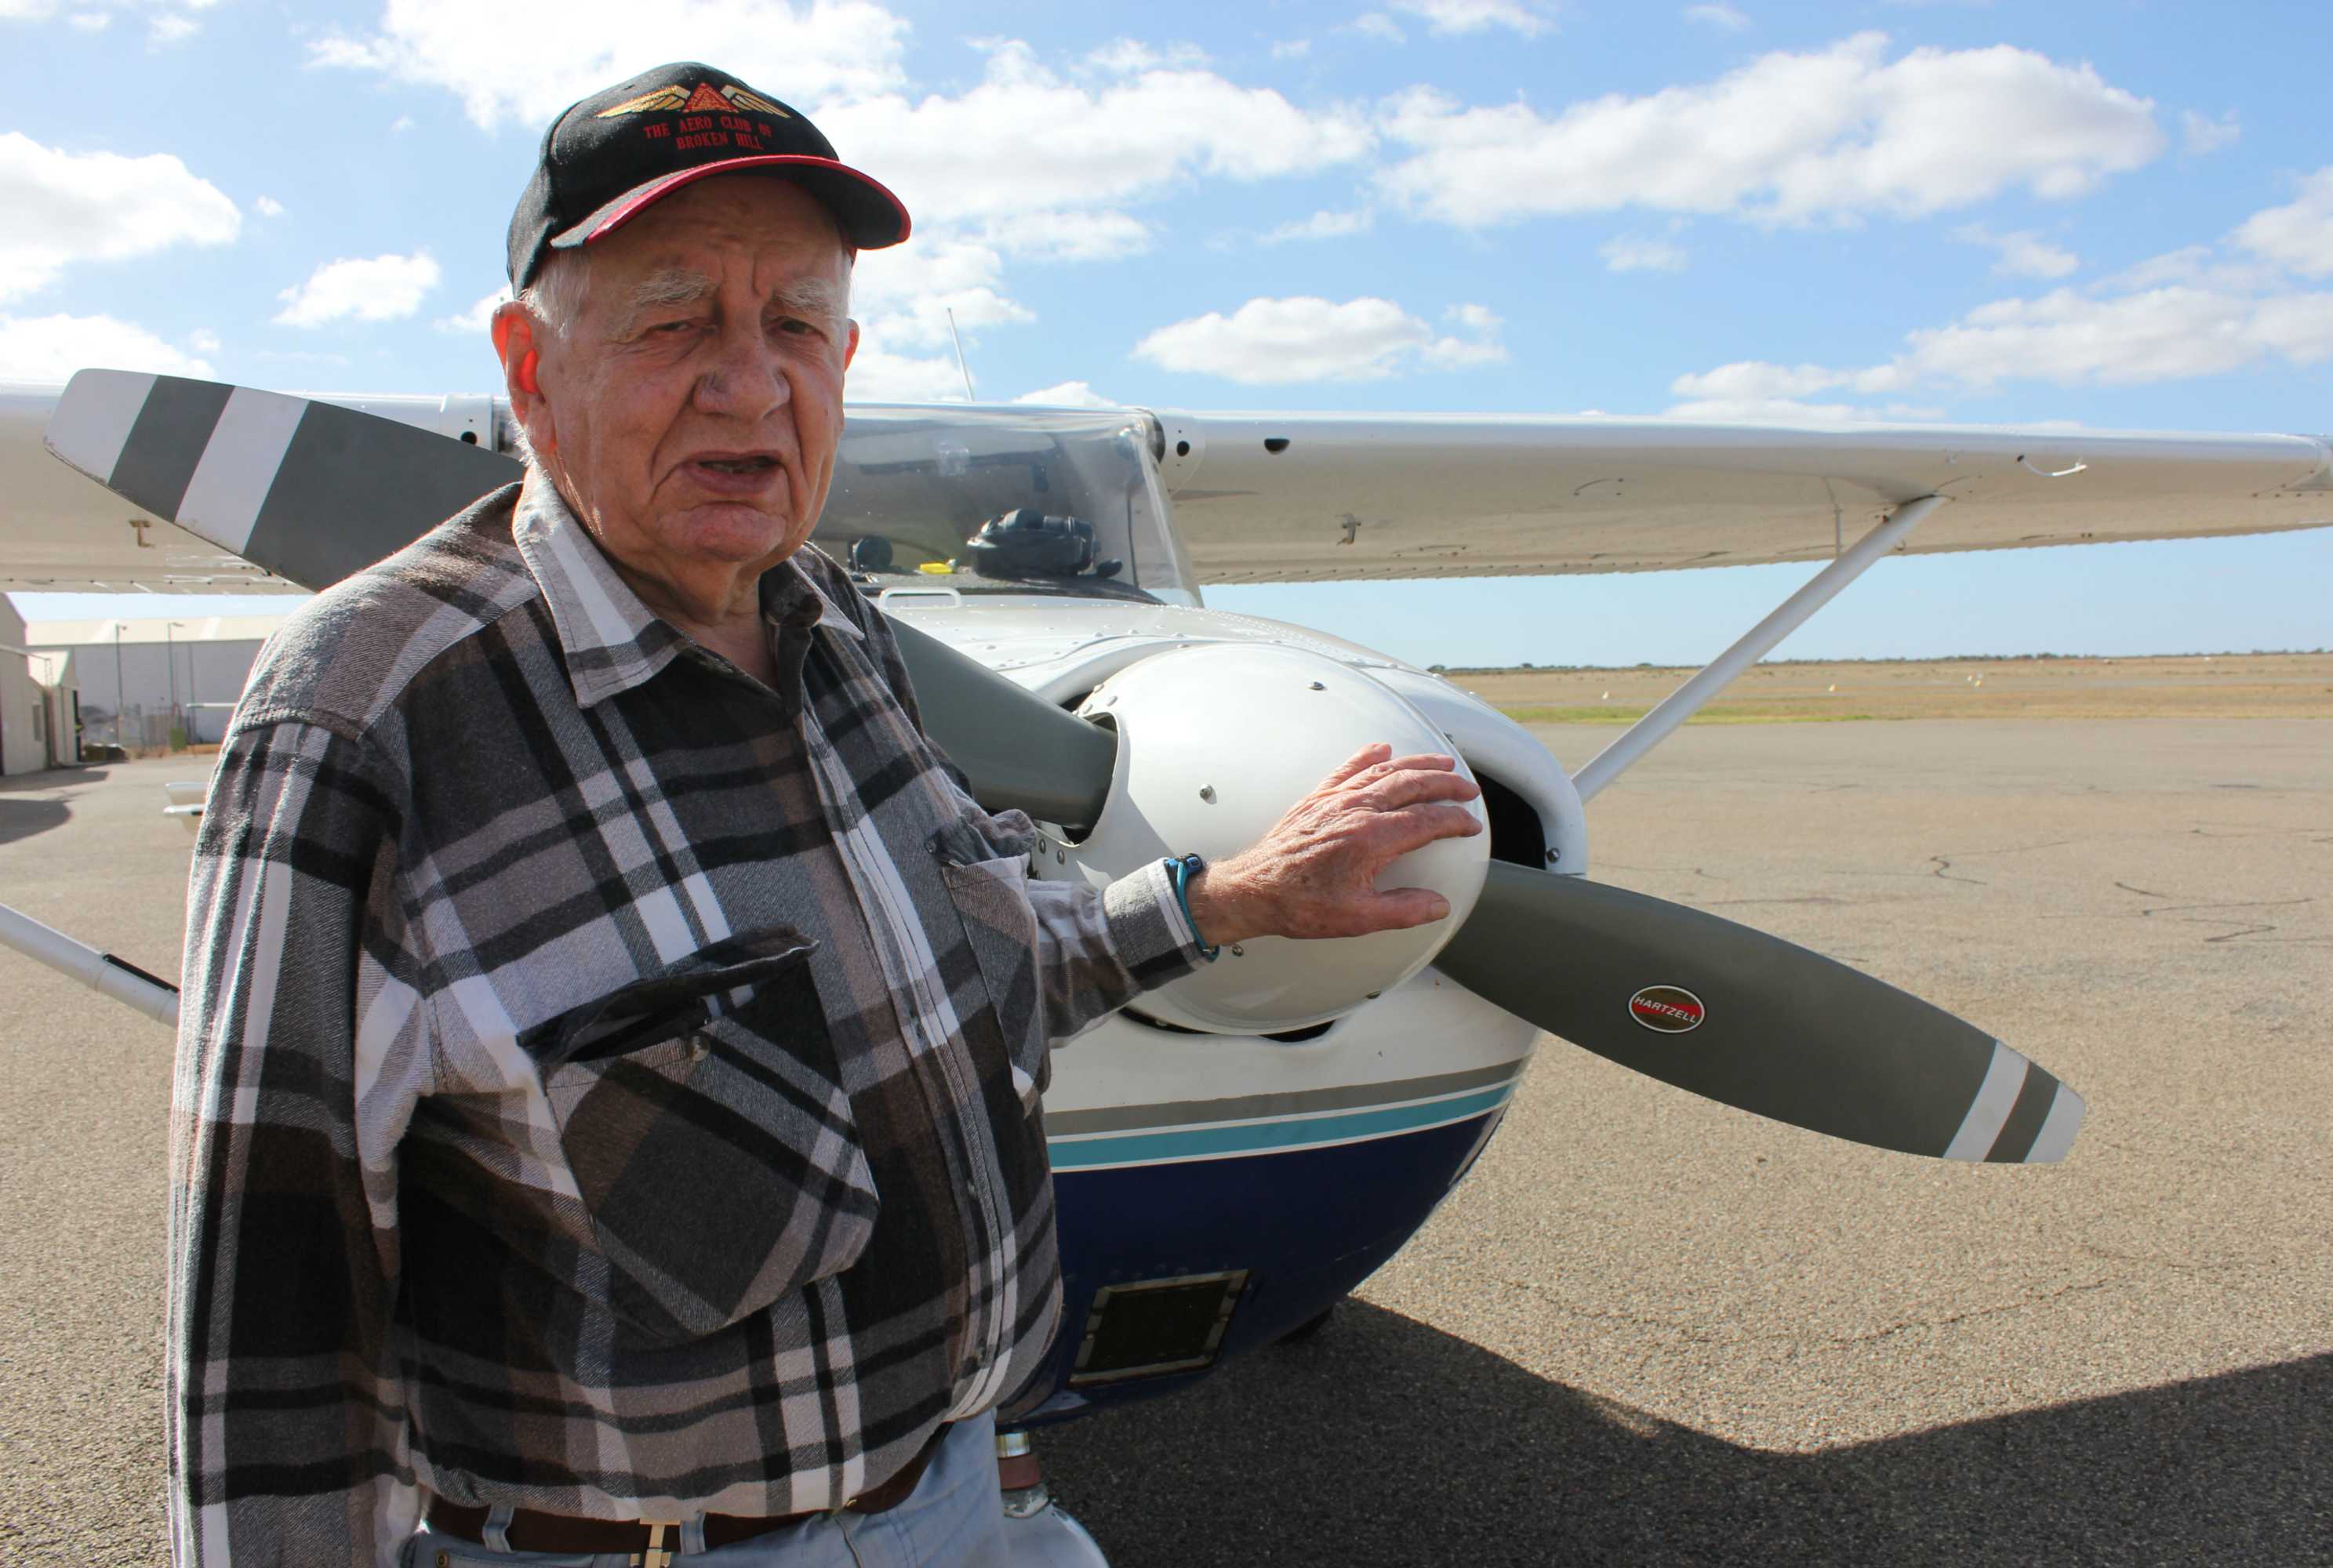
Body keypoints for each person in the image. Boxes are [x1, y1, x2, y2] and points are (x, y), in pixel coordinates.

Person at [167, 60, 1481, 1568]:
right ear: (530, 371)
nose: (749, 382)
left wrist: (1221, 901)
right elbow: (263, 1303)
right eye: (674, 320)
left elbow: (971, 971)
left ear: (843, 360)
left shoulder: (837, 627)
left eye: (797, 325)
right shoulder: (366, 707)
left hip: (971, 1501)